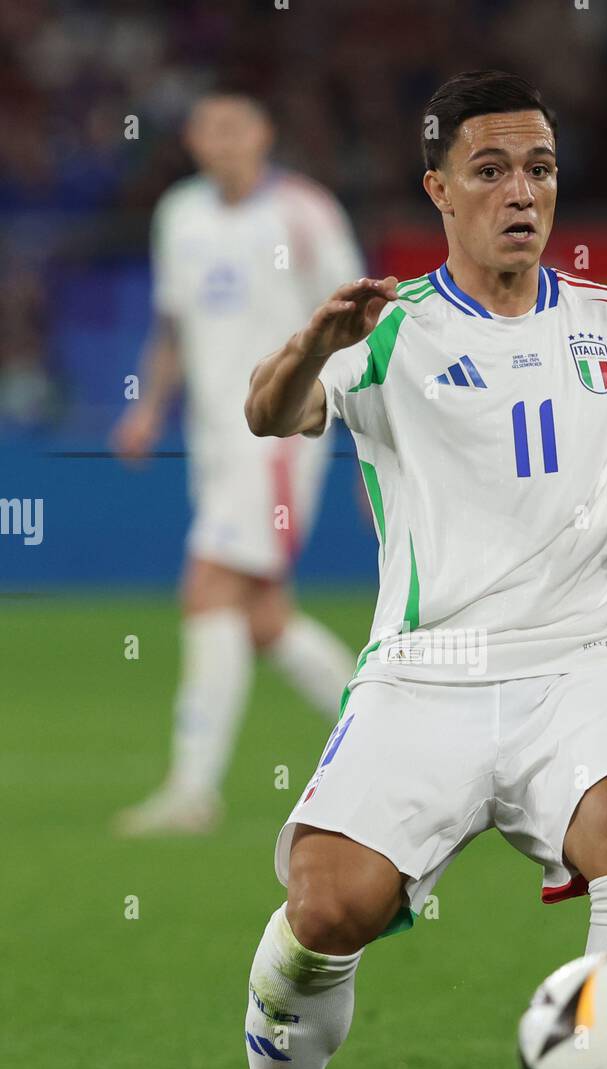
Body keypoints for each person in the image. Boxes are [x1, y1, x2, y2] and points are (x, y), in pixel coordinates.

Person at [163, 71, 607, 1069]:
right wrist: (314, 338)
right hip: (426, 672)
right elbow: (267, 413)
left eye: (540, 170)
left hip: (578, 660)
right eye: (492, 171)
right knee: (326, 905)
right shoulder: (389, 328)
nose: (522, 192)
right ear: (440, 191)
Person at [111, 91, 362, 835]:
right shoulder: (179, 215)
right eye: (209, 128)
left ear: (264, 133)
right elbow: (173, 325)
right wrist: (148, 406)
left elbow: (362, 324)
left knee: (208, 586)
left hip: (281, 437)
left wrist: (373, 440)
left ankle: (193, 789)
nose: (223, 141)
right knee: (261, 618)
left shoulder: (306, 215)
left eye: (237, 127)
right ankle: (411, 739)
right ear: (191, 140)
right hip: (213, 440)